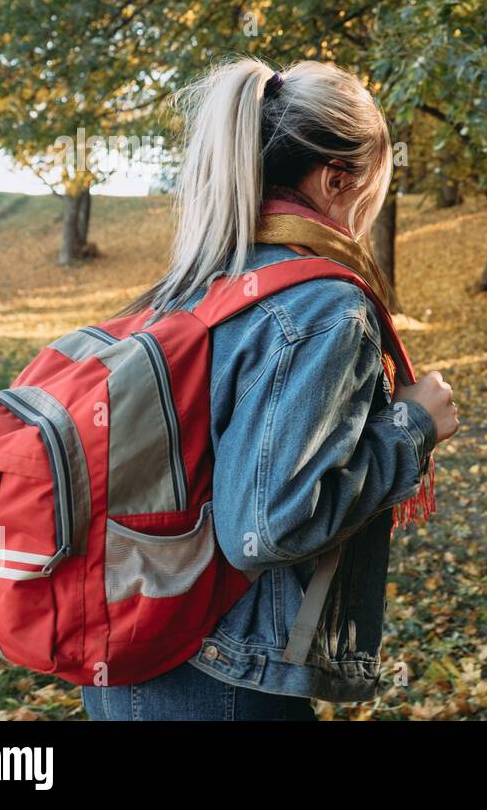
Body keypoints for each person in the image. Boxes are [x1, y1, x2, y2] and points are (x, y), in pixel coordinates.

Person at [82, 58, 458, 720]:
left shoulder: (207, 280)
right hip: (222, 679)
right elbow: (265, 526)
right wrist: (413, 426)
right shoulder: (320, 306)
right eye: (374, 189)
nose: (372, 210)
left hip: (133, 650)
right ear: (337, 179)